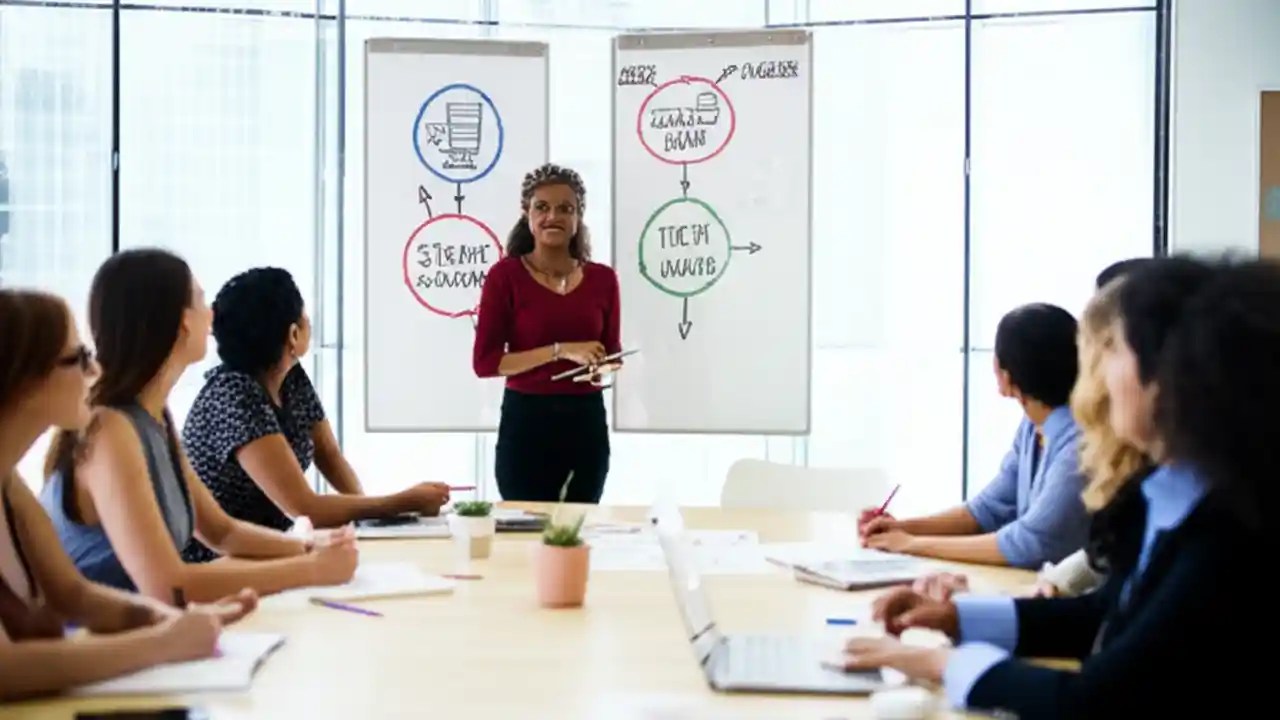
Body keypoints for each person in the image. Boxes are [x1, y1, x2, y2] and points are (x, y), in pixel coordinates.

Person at [838, 256, 1274, 718]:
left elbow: (1098, 699)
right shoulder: (1167, 500)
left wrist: (940, 663)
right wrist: (955, 617)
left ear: (1171, 378)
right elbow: (1103, 614)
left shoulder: (1229, 536)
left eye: (1112, 352)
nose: (1096, 378)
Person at [40, 248, 358, 603]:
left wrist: (306, 545)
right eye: (201, 300)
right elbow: (167, 585)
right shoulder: (111, 430)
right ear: (182, 322)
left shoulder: (155, 416)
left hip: (151, 633)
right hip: (105, 645)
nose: (212, 314)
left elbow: (222, 532)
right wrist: (312, 570)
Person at [0, 288, 255, 699]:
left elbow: (74, 595)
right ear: (25, 380)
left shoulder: (11, 488)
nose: (94, 370)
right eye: (78, 359)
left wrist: (169, 619)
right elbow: (6, 668)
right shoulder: (112, 430)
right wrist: (163, 644)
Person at [917, 260, 1156, 600]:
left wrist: (913, 545)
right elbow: (1098, 564)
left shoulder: (1088, 441)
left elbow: (1035, 543)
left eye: (1110, 349)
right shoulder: (1038, 428)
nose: (1095, 369)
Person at [179, 267, 451, 562]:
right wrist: (402, 502)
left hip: (267, 551)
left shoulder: (291, 377)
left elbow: (330, 455)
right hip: (217, 561)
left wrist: (368, 520)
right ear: (293, 335)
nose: (310, 323)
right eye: (305, 318)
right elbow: (304, 508)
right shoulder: (234, 395)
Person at [859, 303, 1089, 569]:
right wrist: (902, 529)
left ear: (1004, 375)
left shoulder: (1078, 444)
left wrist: (911, 544)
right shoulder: (1032, 426)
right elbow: (988, 510)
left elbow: (1027, 543)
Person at [472, 163, 621, 503]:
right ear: (527, 214)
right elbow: (486, 363)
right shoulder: (504, 276)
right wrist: (561, 350)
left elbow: (611, 352)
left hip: (586, 423)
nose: (552, 216)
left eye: (565, 208)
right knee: (526, 537)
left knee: (576, 532)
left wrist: (604, 366)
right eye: (542, 207)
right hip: (527, 424)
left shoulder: (604, 279)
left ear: (578, 216)